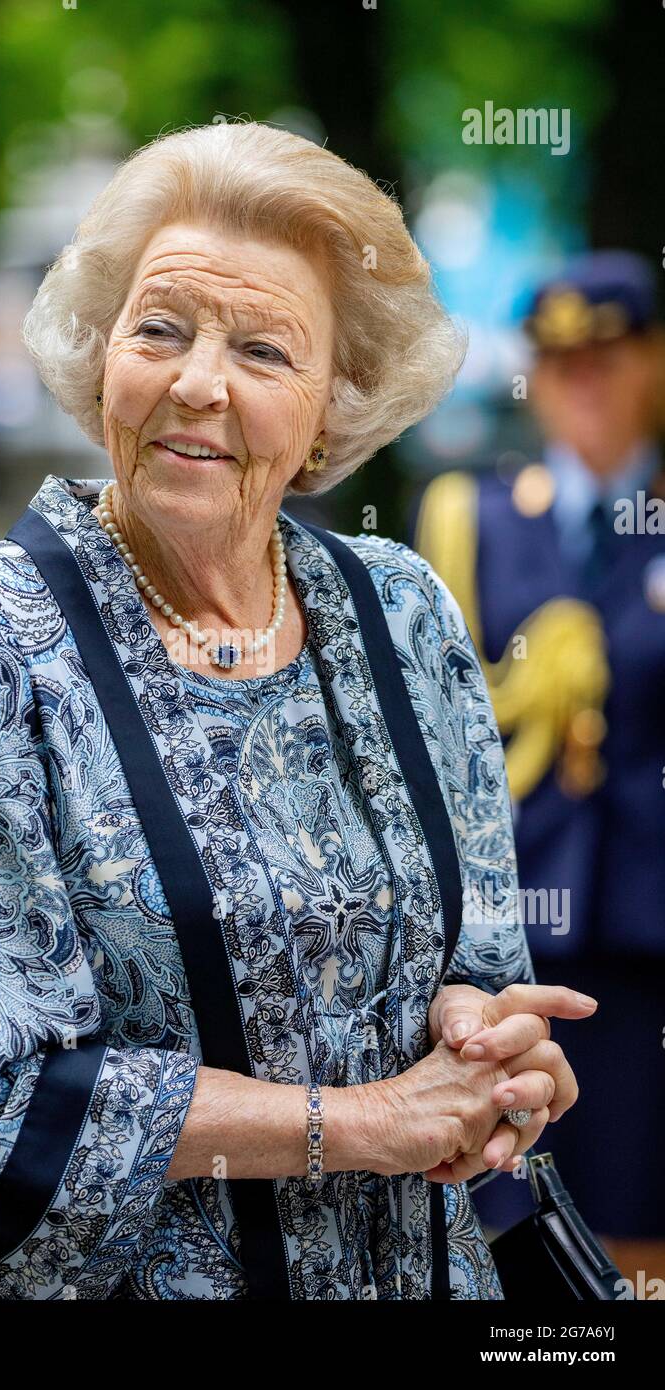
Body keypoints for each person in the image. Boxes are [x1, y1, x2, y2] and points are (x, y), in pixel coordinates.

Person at [0, 120, 594, 1301]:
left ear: (331, 409)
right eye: (159, 328)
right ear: (102, 353)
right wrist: (368, 1121)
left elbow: (482, 953)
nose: (197, 381)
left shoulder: (404, 609)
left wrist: (487, 1046)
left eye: (262, 348)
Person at [413, 250, 665, 1261]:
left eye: (607, 356)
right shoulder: (471, 519)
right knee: (507, 1227)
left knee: (641, 1230)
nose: (583, 384)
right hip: (521, 931)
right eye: (561, 363)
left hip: (652, 939)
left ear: (651, 361)